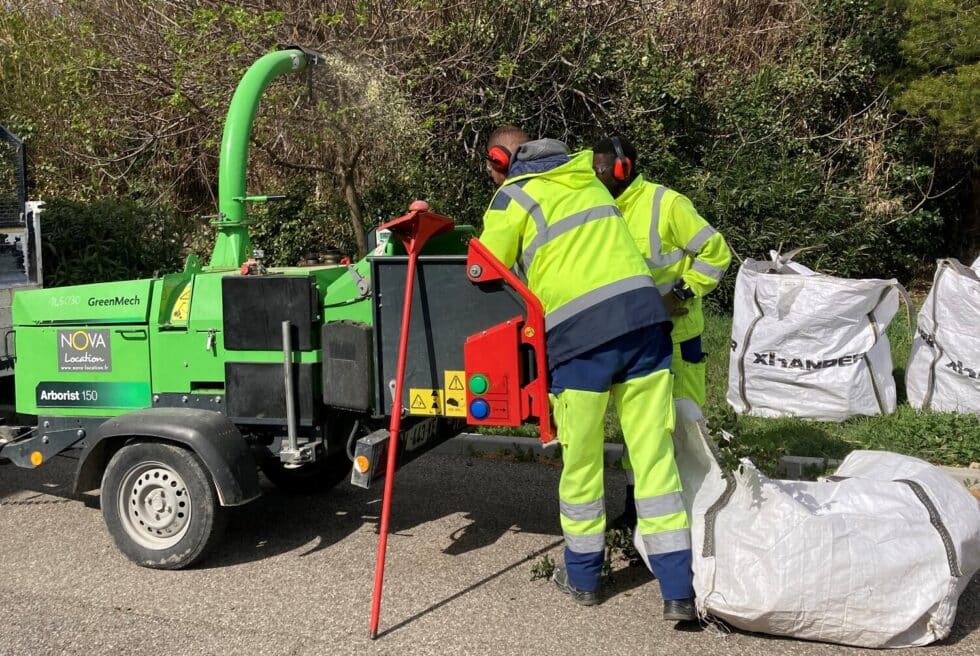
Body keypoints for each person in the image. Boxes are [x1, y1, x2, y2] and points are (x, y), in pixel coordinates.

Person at [480, 125, 696, 621]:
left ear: (499, 161)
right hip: (645, 326)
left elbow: (486, 268)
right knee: (654, 460)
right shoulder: (587, 178)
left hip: (581, 341)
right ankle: (678, 592)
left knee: (582, 463)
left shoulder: (513, 197)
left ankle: (583, 579)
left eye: (490, 170)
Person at [592, 136, 731, 530]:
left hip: (677, 337)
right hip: (632, 338)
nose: (594, 174)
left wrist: (680, 293)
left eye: (600, 167)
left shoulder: (666, 204)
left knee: (682, 424)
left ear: (623, 168)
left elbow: (716, 252)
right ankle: (637, 511)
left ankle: (697, 510)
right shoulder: (598, 209)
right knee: (637, 428)